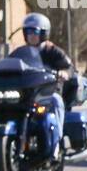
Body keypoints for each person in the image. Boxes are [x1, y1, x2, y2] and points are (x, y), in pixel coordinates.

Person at [11, 12, 71, 161]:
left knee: (57, 102)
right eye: (28, 31)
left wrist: (64, 73)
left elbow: (69, 66)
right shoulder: (19, 52)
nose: (31, 35)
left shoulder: (52, 51)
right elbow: (7, 64)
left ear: (43, 33)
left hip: (47, 92)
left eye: (35, 32)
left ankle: (57, 142)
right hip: (26, 93)